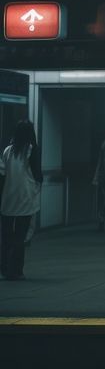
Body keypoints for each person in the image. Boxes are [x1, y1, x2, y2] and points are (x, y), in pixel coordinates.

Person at [0, 120, 42, 280]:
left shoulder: (8, 150)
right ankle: (16, 269)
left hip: (7, 198)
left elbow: (2, 174)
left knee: (6, 236)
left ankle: (4, 267)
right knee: (20, 235)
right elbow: (37, 174)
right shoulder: (31, 150)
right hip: (25, 197)